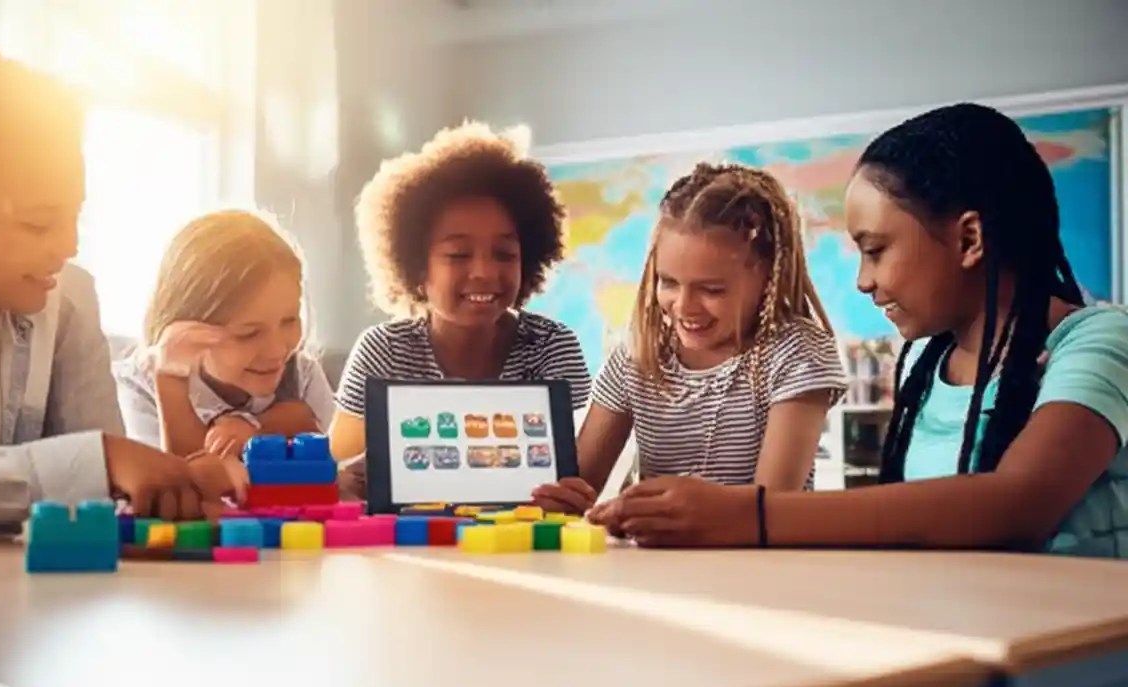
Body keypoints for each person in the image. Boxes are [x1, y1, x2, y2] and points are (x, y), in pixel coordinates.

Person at [590, 103, 1128, 562]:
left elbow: (1019, 505)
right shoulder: (932, 369)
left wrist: (746, 513)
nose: (863, 280)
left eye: (875, 250)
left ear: (969, 239)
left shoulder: (1099, 342)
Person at [0, 49, 233, 539]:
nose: (69, 245)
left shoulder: (67, 298)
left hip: (29, 602)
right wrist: (102, 458)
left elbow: (100, 482)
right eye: (37, 223)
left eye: (76, 216)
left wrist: (163, 483)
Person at [533, 163, 845, 514]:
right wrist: (558, 496)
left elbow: (768, 509)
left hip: (759, 566)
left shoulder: (796, 354)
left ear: (768, 275)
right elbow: (577, 486)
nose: (684, 307)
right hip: (657, 561)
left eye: (711, 289)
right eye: (668, 282)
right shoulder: (638, 356)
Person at [330, 122, 591, 497]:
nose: (484, 273)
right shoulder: (382, 350)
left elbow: (581, 471)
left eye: (504, 254)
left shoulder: (552, 346)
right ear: (417, 266)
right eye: (457, 255)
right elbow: (339, 475)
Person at [114, 210, 334, 458]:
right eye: (248, 334)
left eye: (289, 320)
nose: (277, 350)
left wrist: (258, 430)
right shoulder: (140, 385)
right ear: (186, 330)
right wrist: (170, 382)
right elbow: (182, 485)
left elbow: (330, 470)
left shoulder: (301, 375)